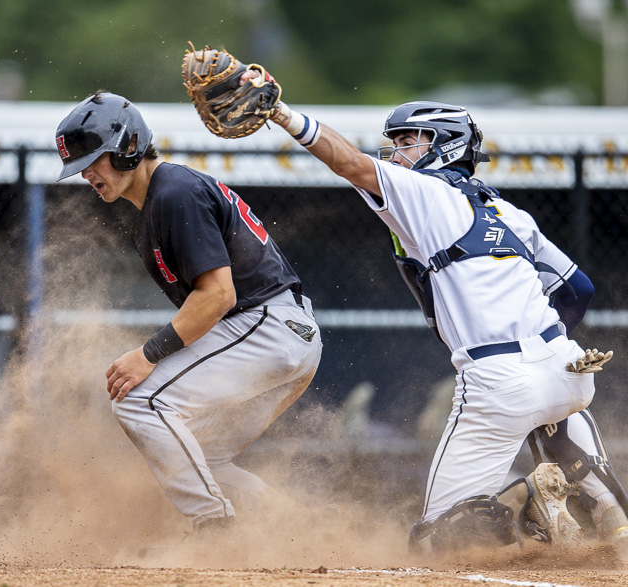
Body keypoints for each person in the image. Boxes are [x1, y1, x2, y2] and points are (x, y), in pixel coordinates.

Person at [233, 79, 628, 553]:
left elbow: (349, 163)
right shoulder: (508, 210)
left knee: (434, 543)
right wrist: (543, 352)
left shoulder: (426, 193)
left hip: (498, 380)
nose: (397, 153)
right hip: (567, 369)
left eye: (407, 141)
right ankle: (602, 506)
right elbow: (577, 290)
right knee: (554, 419)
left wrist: (282, 114)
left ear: (447, 146)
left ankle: (529, 499)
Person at [55, 91, 323, 534]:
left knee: (141, 400)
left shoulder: (174, 192)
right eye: (80, 167)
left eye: (95, 159)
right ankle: (303, 531)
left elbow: (217, 296)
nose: (87, 174)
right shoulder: (159, 202)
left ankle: (212, 523)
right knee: (197, 451)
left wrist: (147, 355)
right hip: (279, 332)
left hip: (266, 327)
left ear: (127, 147)